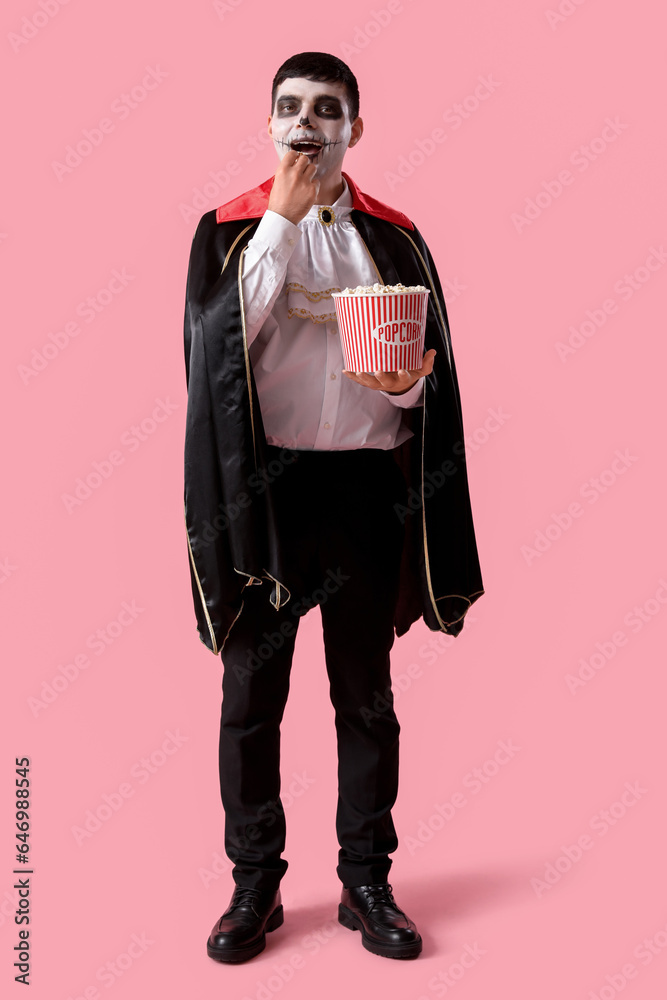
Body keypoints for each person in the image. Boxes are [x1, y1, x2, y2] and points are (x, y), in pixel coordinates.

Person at [183, 52, 483, 963]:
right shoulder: (229, 230)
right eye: (289, 108)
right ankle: (254, 881)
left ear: (355, 127)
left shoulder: (393, 235)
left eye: (325, 108)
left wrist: (402, 387)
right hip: (266, 494)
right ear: (270, 123)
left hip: (363, 490)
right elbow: (213, 353)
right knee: (249, 698)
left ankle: (365, 878)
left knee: (366, 696)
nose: (305, 122)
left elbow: (418, 385)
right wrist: (280, 215)